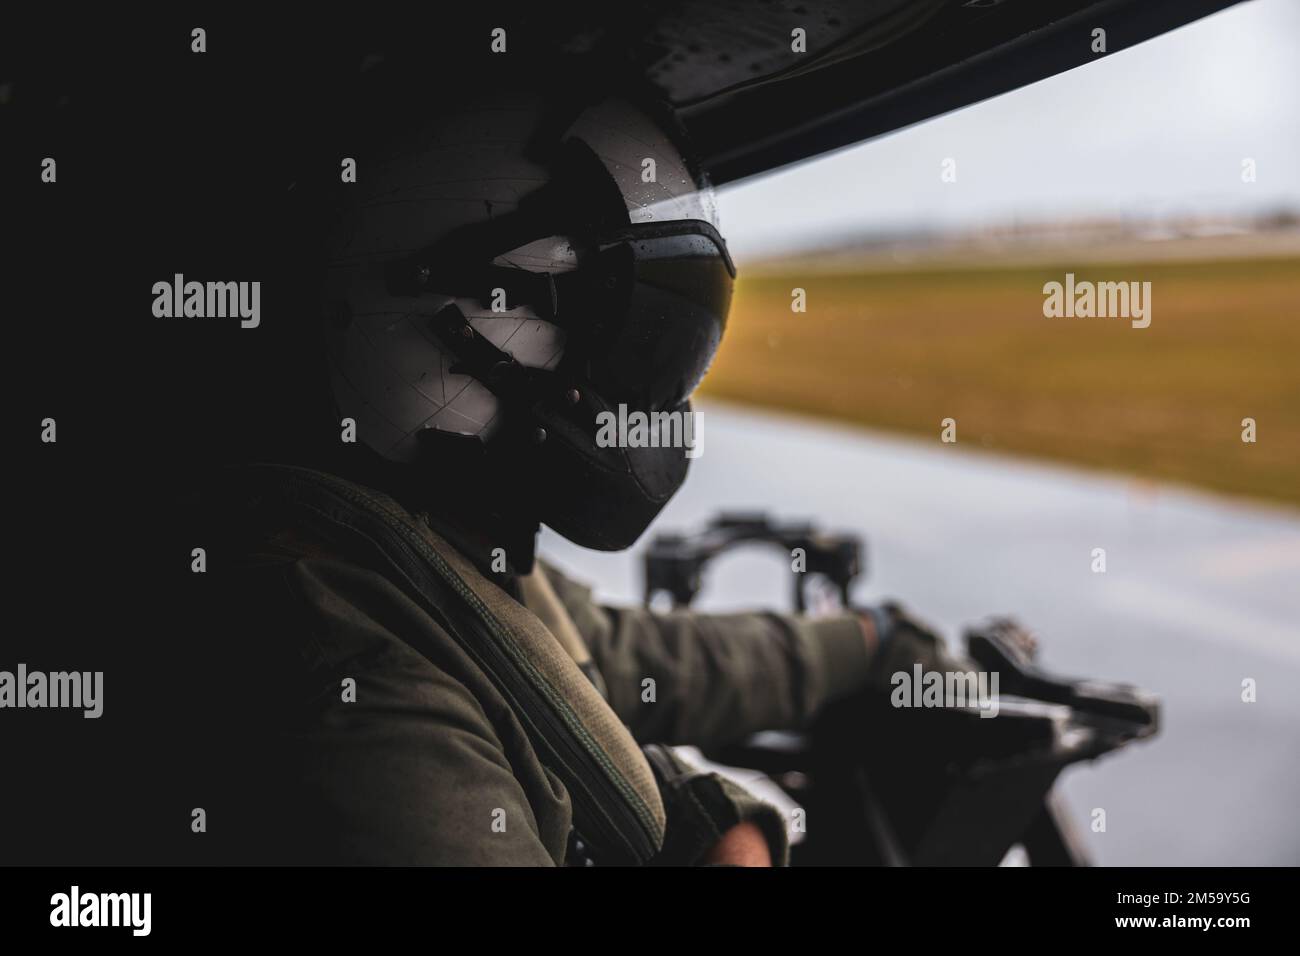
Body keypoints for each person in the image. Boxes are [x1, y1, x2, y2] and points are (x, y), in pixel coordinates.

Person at [184, 67, 955, 867]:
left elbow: (621, 655)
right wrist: (720, 832)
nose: (646, 405)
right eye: (634, 349)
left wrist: (861, 642)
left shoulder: (441, 550)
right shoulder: (358, 687)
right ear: (448, 323)